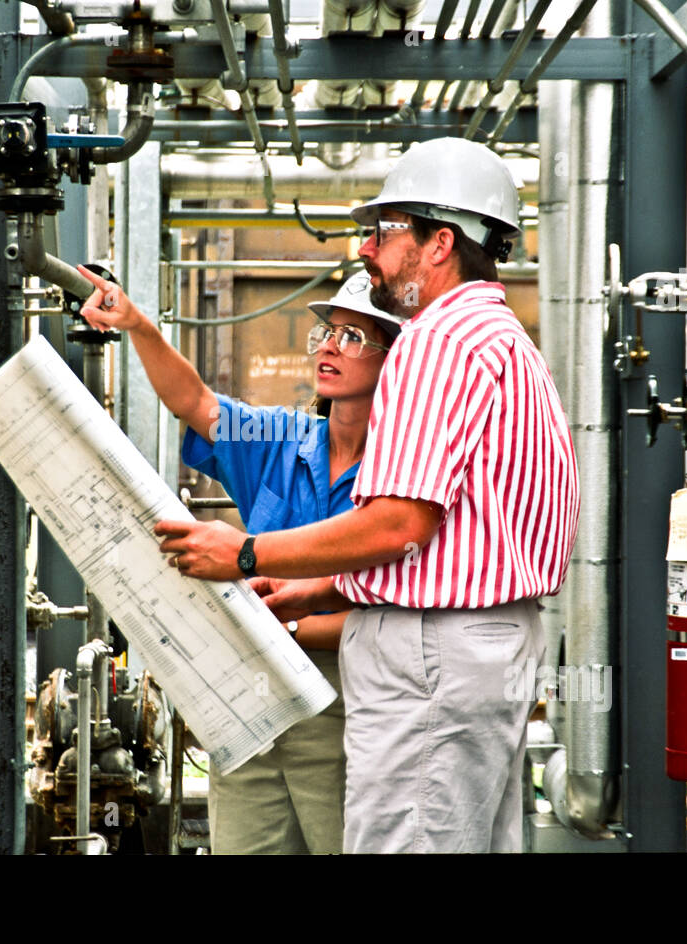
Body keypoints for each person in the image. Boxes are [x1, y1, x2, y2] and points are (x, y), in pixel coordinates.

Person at [153, 137, 581, 854]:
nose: (366, 251)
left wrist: (248, 551)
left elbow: (400, 524)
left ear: (439, 243)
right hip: (479, 649)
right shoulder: (501, 342)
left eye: (383, 233)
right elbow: (457, 533)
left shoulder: (434, 341)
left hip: (431, 659)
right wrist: (321, 590)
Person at [74, 265, 404, 854]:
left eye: (353, 337)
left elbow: (402, 611)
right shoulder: (278, 441)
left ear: (396, 360)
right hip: (249, 695)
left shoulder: (405, 475)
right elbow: (195, 402)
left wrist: (296, 625)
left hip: (344, 697)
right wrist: (136, 325)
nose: (329, 345)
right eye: (327, 333)